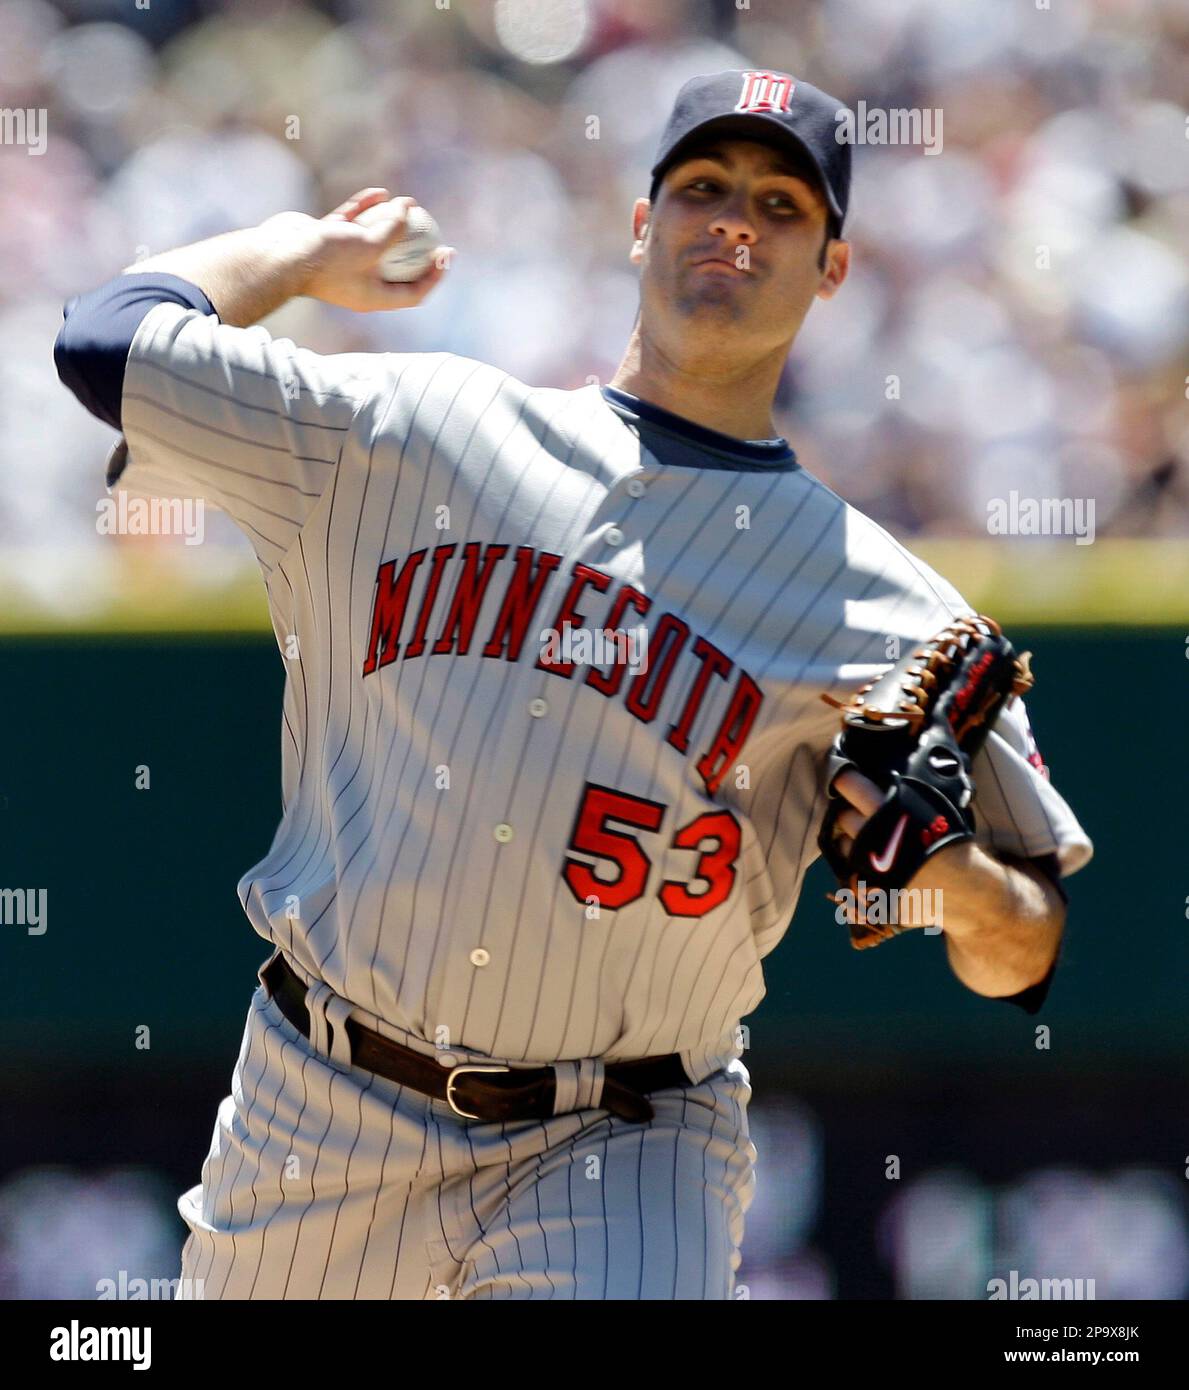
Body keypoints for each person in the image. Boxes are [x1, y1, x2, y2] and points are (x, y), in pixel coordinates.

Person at [54, 68, 1091, 1300]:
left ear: (832, 270)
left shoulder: (887, 607)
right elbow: (106, 340)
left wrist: (952, 882)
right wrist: (291, 253)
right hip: (320, 1097)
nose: (734, 223)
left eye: (780, 204)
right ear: (639, 223)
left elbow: (1022, 954)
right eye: (702, 187)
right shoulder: (410, 426)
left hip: (624, 1135)